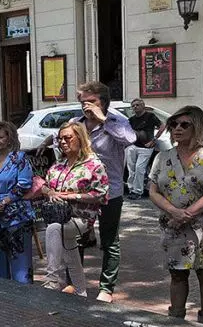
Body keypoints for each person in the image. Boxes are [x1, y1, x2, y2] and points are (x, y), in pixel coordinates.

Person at [41, 82, 134, 302]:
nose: (86, 106)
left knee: (109, 240)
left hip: (109, 190)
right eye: (83, 102)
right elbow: (61, 143)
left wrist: (103, 120)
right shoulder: (76, 123)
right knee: (71, 235)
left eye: (91, 101)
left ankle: (107, 288)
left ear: (103, 102)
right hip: (76, 191)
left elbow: (130, 140)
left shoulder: (117, 121)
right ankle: (74, 282)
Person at [148, 106, 203, 325]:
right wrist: (174, 212)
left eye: (184, 124)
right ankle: (176, 319)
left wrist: (188, 214)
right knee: (177, 274)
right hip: (172, 225)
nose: (177, 129)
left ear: (198, 126)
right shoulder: (163, 157)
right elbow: (153, 190)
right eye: (174, 124)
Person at [40, 121, 109, 297]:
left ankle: (52, 279)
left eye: (68, 137)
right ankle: (81, 291)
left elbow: (101, 194)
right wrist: (49, 192)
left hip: (81, 218)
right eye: (60, 139)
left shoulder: (93, 165)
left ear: (80, 138)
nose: (63, 142)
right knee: (71, 253)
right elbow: (44, 186)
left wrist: (72, 196)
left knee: (54, 229)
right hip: (58, 214)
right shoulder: (58, 165)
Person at [0, 121, 35, 283]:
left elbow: (24, 184)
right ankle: (3, 302)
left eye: (0, 137)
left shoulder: (20, 159)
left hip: (18, 216)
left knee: (21, 265)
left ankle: (25, 300)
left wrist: (4, 201)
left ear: (9, 138)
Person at [125, 98, 163, 199]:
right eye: (133, 106)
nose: (135, 107)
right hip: (133, 146)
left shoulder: (150, 116)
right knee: (131, 168)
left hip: (146, 147)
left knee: (139, 168)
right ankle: (131, 189)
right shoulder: (131, 119)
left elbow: (162, 126)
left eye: (137, 105)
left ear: (143, 106)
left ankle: (138, 192)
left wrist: (154, 139)